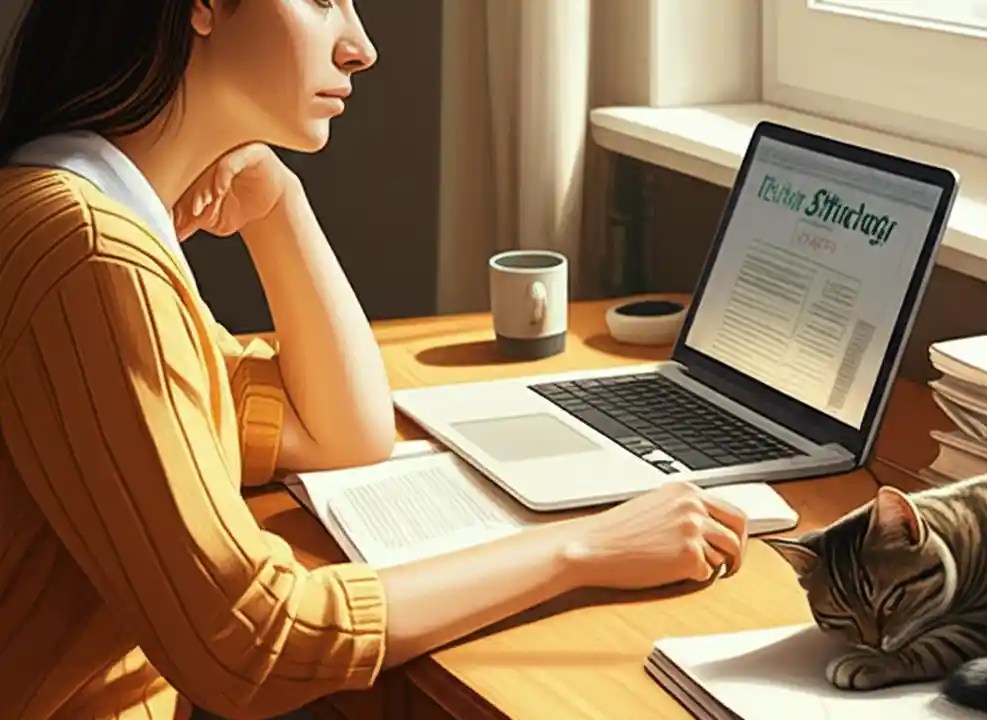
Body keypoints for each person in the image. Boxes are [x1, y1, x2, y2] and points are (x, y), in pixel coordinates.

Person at [0, 2, 749, 719]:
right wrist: (583, 546)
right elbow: (253, 643)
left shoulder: (71, 218)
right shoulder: (88, 254)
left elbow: (340, 432)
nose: (360, 46)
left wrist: (278, 202)